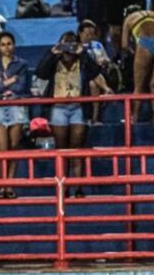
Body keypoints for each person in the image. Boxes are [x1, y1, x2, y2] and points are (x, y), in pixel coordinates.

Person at [36, 32, 113, 197]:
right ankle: (63, 187)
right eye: (65, 45)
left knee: (77, 149)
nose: (68, 50)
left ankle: (78, 187)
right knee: (62, 150)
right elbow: (40, 72)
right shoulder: (54, 60)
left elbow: (96, 72)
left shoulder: (83, 61)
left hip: (78, 107)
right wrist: (52, 52)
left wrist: (82, 53)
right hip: (58, 106)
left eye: (72, 45)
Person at [0, 32, 30, 198]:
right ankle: (2, 184)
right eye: (3, 44)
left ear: (14, 45)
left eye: (9, 43)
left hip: (17, 106)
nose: (6, 47)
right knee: (2, 150)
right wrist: (9, 82)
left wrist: (0, 82)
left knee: (13, 148)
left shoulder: (22, 64)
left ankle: (9, 185)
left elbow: (21, 88)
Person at [122, 6, 154, 123]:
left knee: (139, 86)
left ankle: (134, 117)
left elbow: (124, 45)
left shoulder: (129, 19)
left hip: (145, 43)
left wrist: (136, 53)